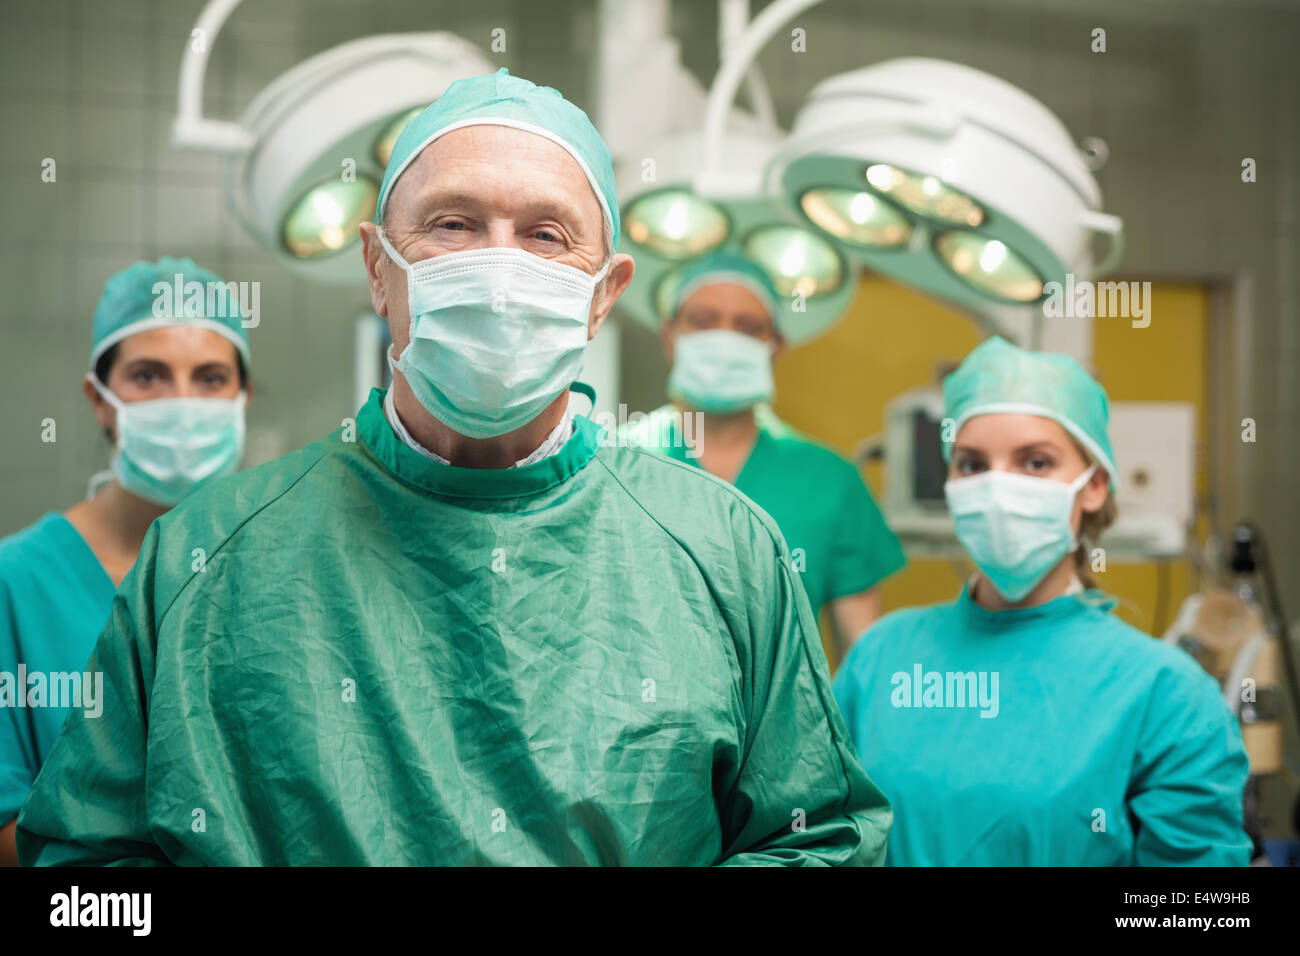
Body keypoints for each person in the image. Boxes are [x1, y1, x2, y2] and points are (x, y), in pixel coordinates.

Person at [17, 70, 891, 866]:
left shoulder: (725, 550)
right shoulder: (204, 557)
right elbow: (85, 875)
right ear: (377, 267)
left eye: (546, 235)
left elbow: (818, 842)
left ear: (605, 294)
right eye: (452, 225)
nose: (498, 268)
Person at [832, 336, 1251, 866]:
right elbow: (822, 835)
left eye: (1034, 462)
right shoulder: (881, 658)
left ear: (1093, 485)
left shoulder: (1164, 693)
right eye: (972, 464)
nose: (997, 487)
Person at [0, 257, 251, 866]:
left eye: (211, 377)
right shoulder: (18, 581)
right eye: (148, 375)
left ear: (242, 396)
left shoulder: (282, 568)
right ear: (100, 399)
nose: (183, 403)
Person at [621, 251, 905, 660]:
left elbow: (863, 659)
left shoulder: (827, 479)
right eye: (702, 322)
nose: (724, 339)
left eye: (748, 327)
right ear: (669, 335)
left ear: (776, 346)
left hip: (784, 725)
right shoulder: (613, 464)